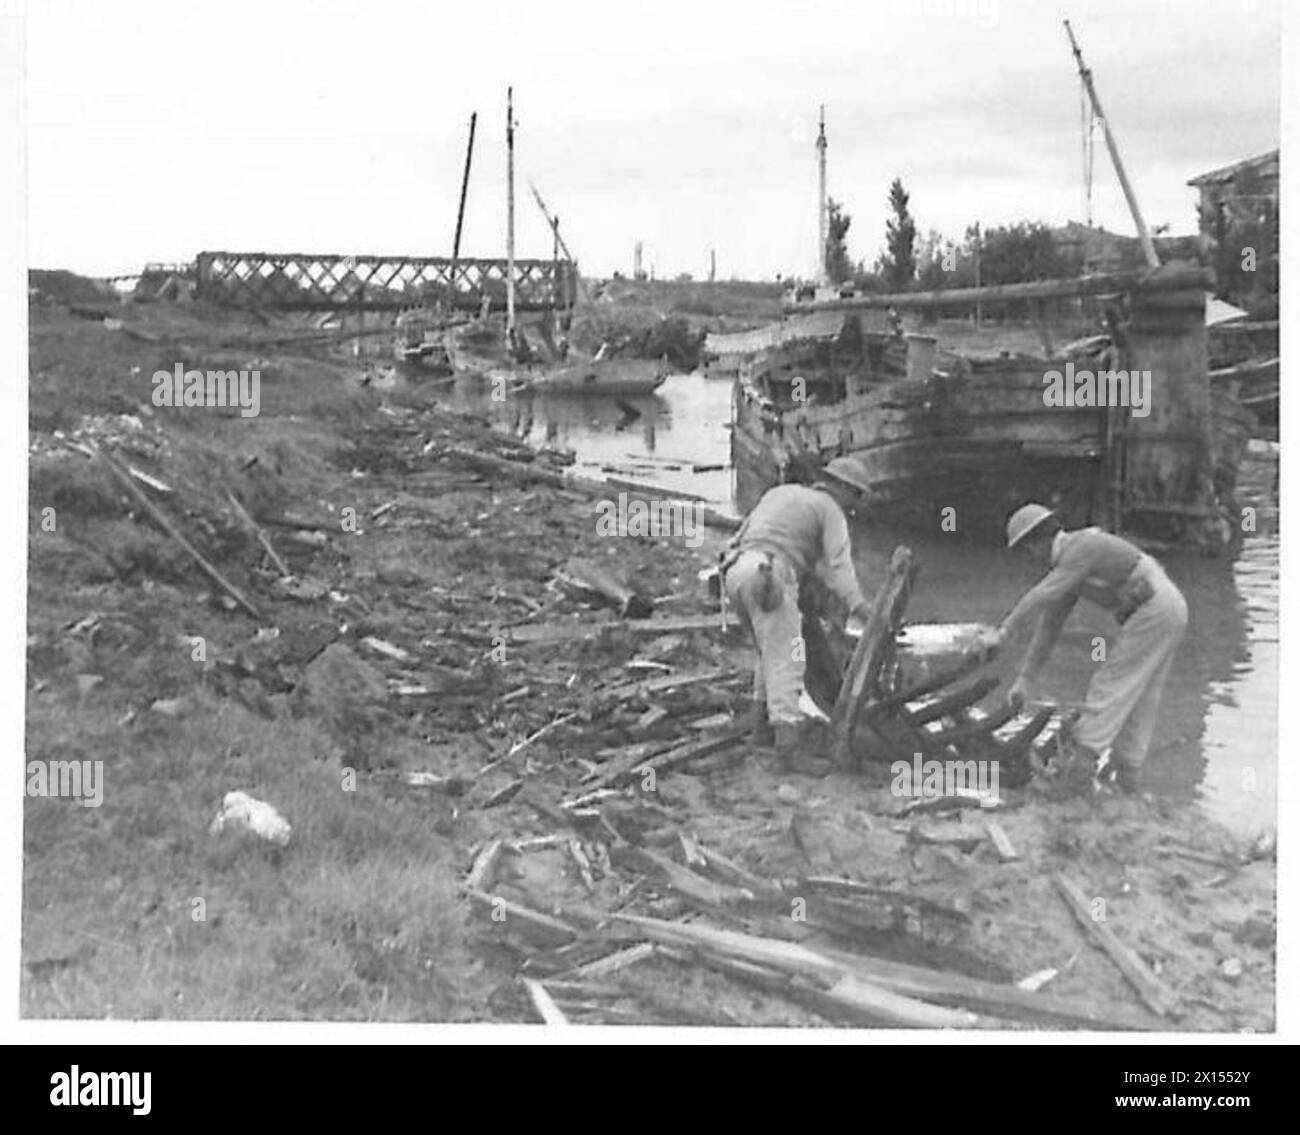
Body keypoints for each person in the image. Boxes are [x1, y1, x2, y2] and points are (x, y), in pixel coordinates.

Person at [988, 504, 1188, 793]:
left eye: (1027, 549)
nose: (1029, 558)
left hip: (1155, 608)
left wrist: (1004, 631)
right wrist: (1024, 680)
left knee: (1110, 684)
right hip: (1165, 609)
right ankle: (1128, 782)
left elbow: (1042, 594)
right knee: (1139, 698)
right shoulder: (1070, 569)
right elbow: (1049, 627)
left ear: (1039, 541)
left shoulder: (1082, 546)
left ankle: (1081, 768)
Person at [721, 458, 873, 776]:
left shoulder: (781, 493)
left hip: (736, 570)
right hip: (771, 575)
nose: (854, 506)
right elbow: (838, 568)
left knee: (768, 654)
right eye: (855, 496)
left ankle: (760, 730)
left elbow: (746, 534)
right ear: (842, 488)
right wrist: (862, 609)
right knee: (788, 660)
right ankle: (786, 751)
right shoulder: (829, 509)